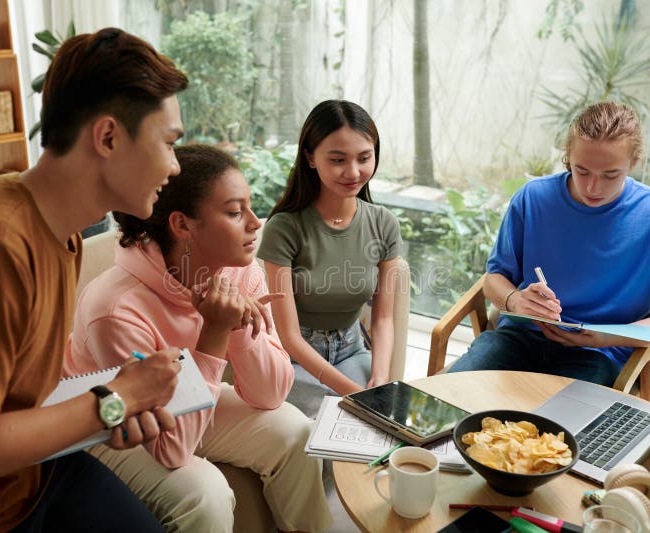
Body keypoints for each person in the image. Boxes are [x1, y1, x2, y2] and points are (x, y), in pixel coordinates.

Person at [0, 28, 190, 532]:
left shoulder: (63, 233)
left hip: (32, 478)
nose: (174, 167)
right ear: (107, 137)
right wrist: (115, 401)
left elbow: (13, 398)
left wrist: (113, 407)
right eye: (169, 143)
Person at [64, 144, 333, 532]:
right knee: (204, 495)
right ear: (182, 225)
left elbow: (271, 395)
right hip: (107, 423)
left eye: (251, 207)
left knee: (294, 430)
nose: (256, 223)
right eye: (235, 212)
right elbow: (172, 450)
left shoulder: (240, 271)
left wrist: (241, 332)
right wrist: (215, 333)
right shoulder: (115, 310)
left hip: (180, 400)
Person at [446, 101, 650, 385]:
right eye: (581, 170)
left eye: (610, 174)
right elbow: (494, 279)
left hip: (600, 354)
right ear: (567, 157)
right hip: (518, 340)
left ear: (633, 163)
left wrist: (608, 336)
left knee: (562, 425)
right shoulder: (533, 199)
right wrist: (515, 300)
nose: (592, 188)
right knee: (451, 396)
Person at [258, 100, 402, 417]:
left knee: (383, 427)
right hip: (296, 359)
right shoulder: (284, 228)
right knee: (317, 434)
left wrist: (379, 379)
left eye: (364, 158)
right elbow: (290, 337)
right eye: (338, 160)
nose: (353, 172)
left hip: (352, 350)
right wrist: (354, 393)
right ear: (310, 157)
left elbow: (383, 318)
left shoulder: (383, 223)